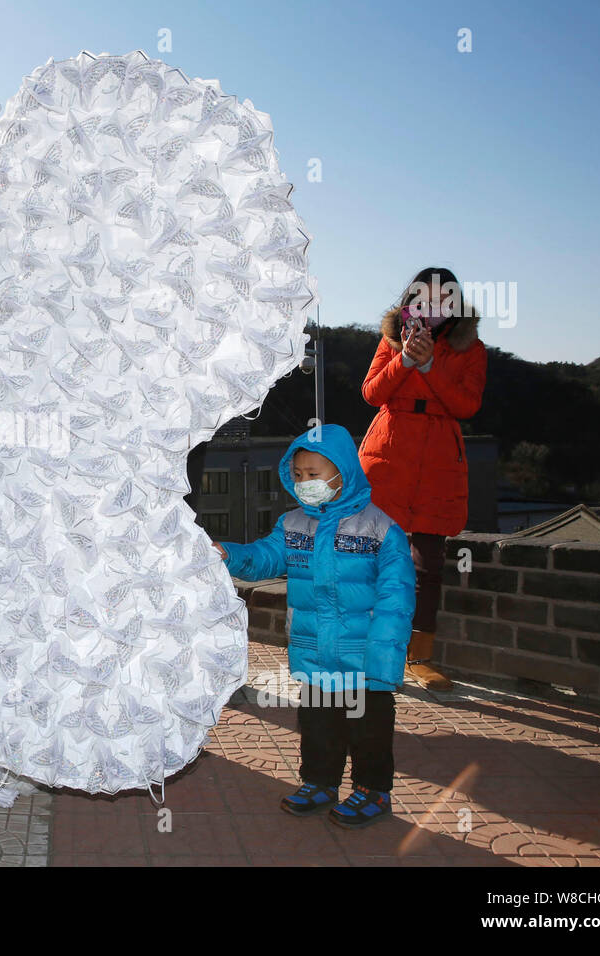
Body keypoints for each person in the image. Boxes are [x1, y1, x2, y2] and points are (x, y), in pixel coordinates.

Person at [219, 424, 414, 828]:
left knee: (369, 730)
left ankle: (373, 791)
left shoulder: (380, 531)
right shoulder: (293, 526)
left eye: (316, 474)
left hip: (365, 659)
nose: (306, 483)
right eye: (300, 475)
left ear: (344, 472)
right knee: (318, 724)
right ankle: (320, 783)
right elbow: (264, 558)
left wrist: (384, 658)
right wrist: (228, 554)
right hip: (316, 653)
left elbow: (397, 599)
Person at [358, 267, 487, 690]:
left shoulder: (471, 347)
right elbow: (373, 393)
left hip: (436, 459)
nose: (433, 308)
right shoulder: (393, 338)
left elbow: (467, 405)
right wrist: (405, 361)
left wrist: (431, 367)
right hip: (389, 452)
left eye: (442, 300)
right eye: (423, 299)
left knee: (428, 564)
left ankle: (419, 657)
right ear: (410, 301)